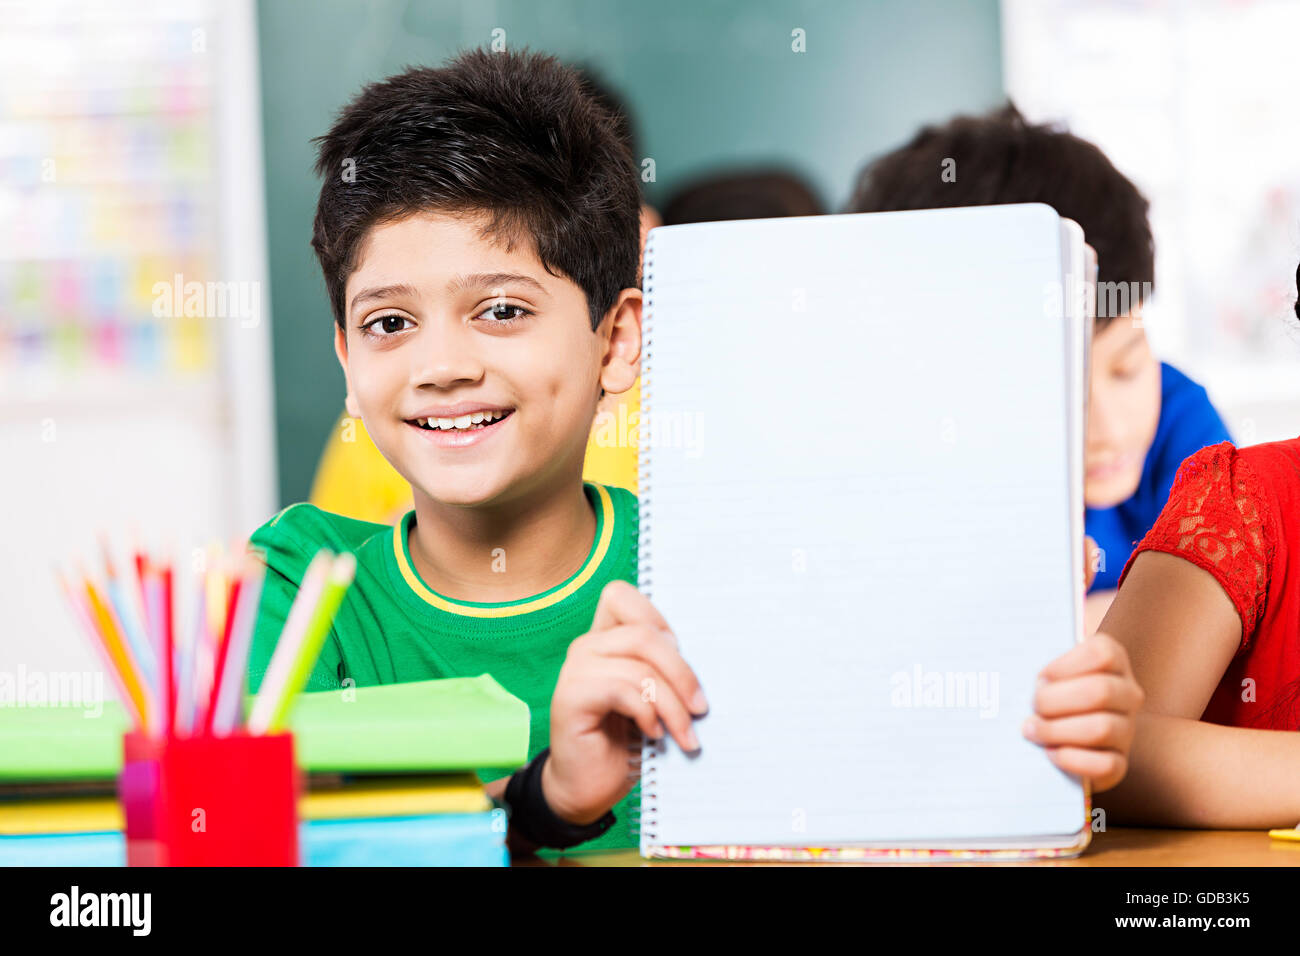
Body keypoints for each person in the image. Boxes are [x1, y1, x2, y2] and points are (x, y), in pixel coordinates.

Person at [249, 54, 1142, 853]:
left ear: (621, 341)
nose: (442, 366)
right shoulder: (298, 587)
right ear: (345, 356)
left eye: (502, 310)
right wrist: (546, 800)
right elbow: (262, 838)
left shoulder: (734, 573)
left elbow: (890, 802)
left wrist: (1044, 737)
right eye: (390, 323)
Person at [849, 104, 1232, 632]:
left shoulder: (1182, 428)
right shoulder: (901, 468)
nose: (1108, 430)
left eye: (1127, 366)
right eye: (1056, 388)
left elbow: (1235, 617)